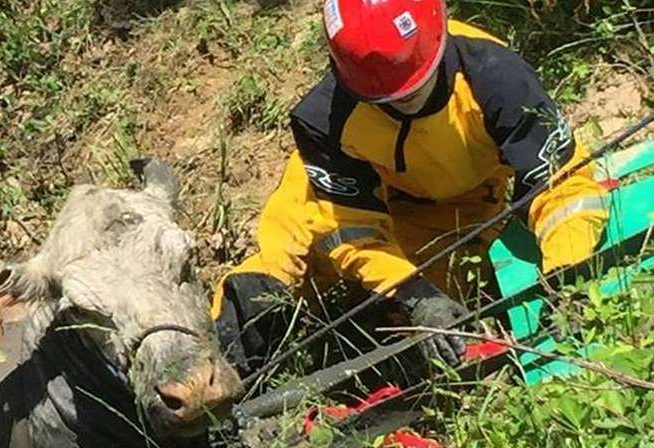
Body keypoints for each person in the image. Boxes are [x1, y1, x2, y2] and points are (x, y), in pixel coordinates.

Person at [212, 0, 607, 374]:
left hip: (457, 202)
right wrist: (416, 295)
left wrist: (567, 277)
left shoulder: (494, 75)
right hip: (362, 198)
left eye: (412, 91)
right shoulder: (325, 118)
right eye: (387, 97)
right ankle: (219, 372)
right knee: (280, 252)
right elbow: (351, 231)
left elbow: (561, 184)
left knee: (443, 317)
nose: (404, 102)